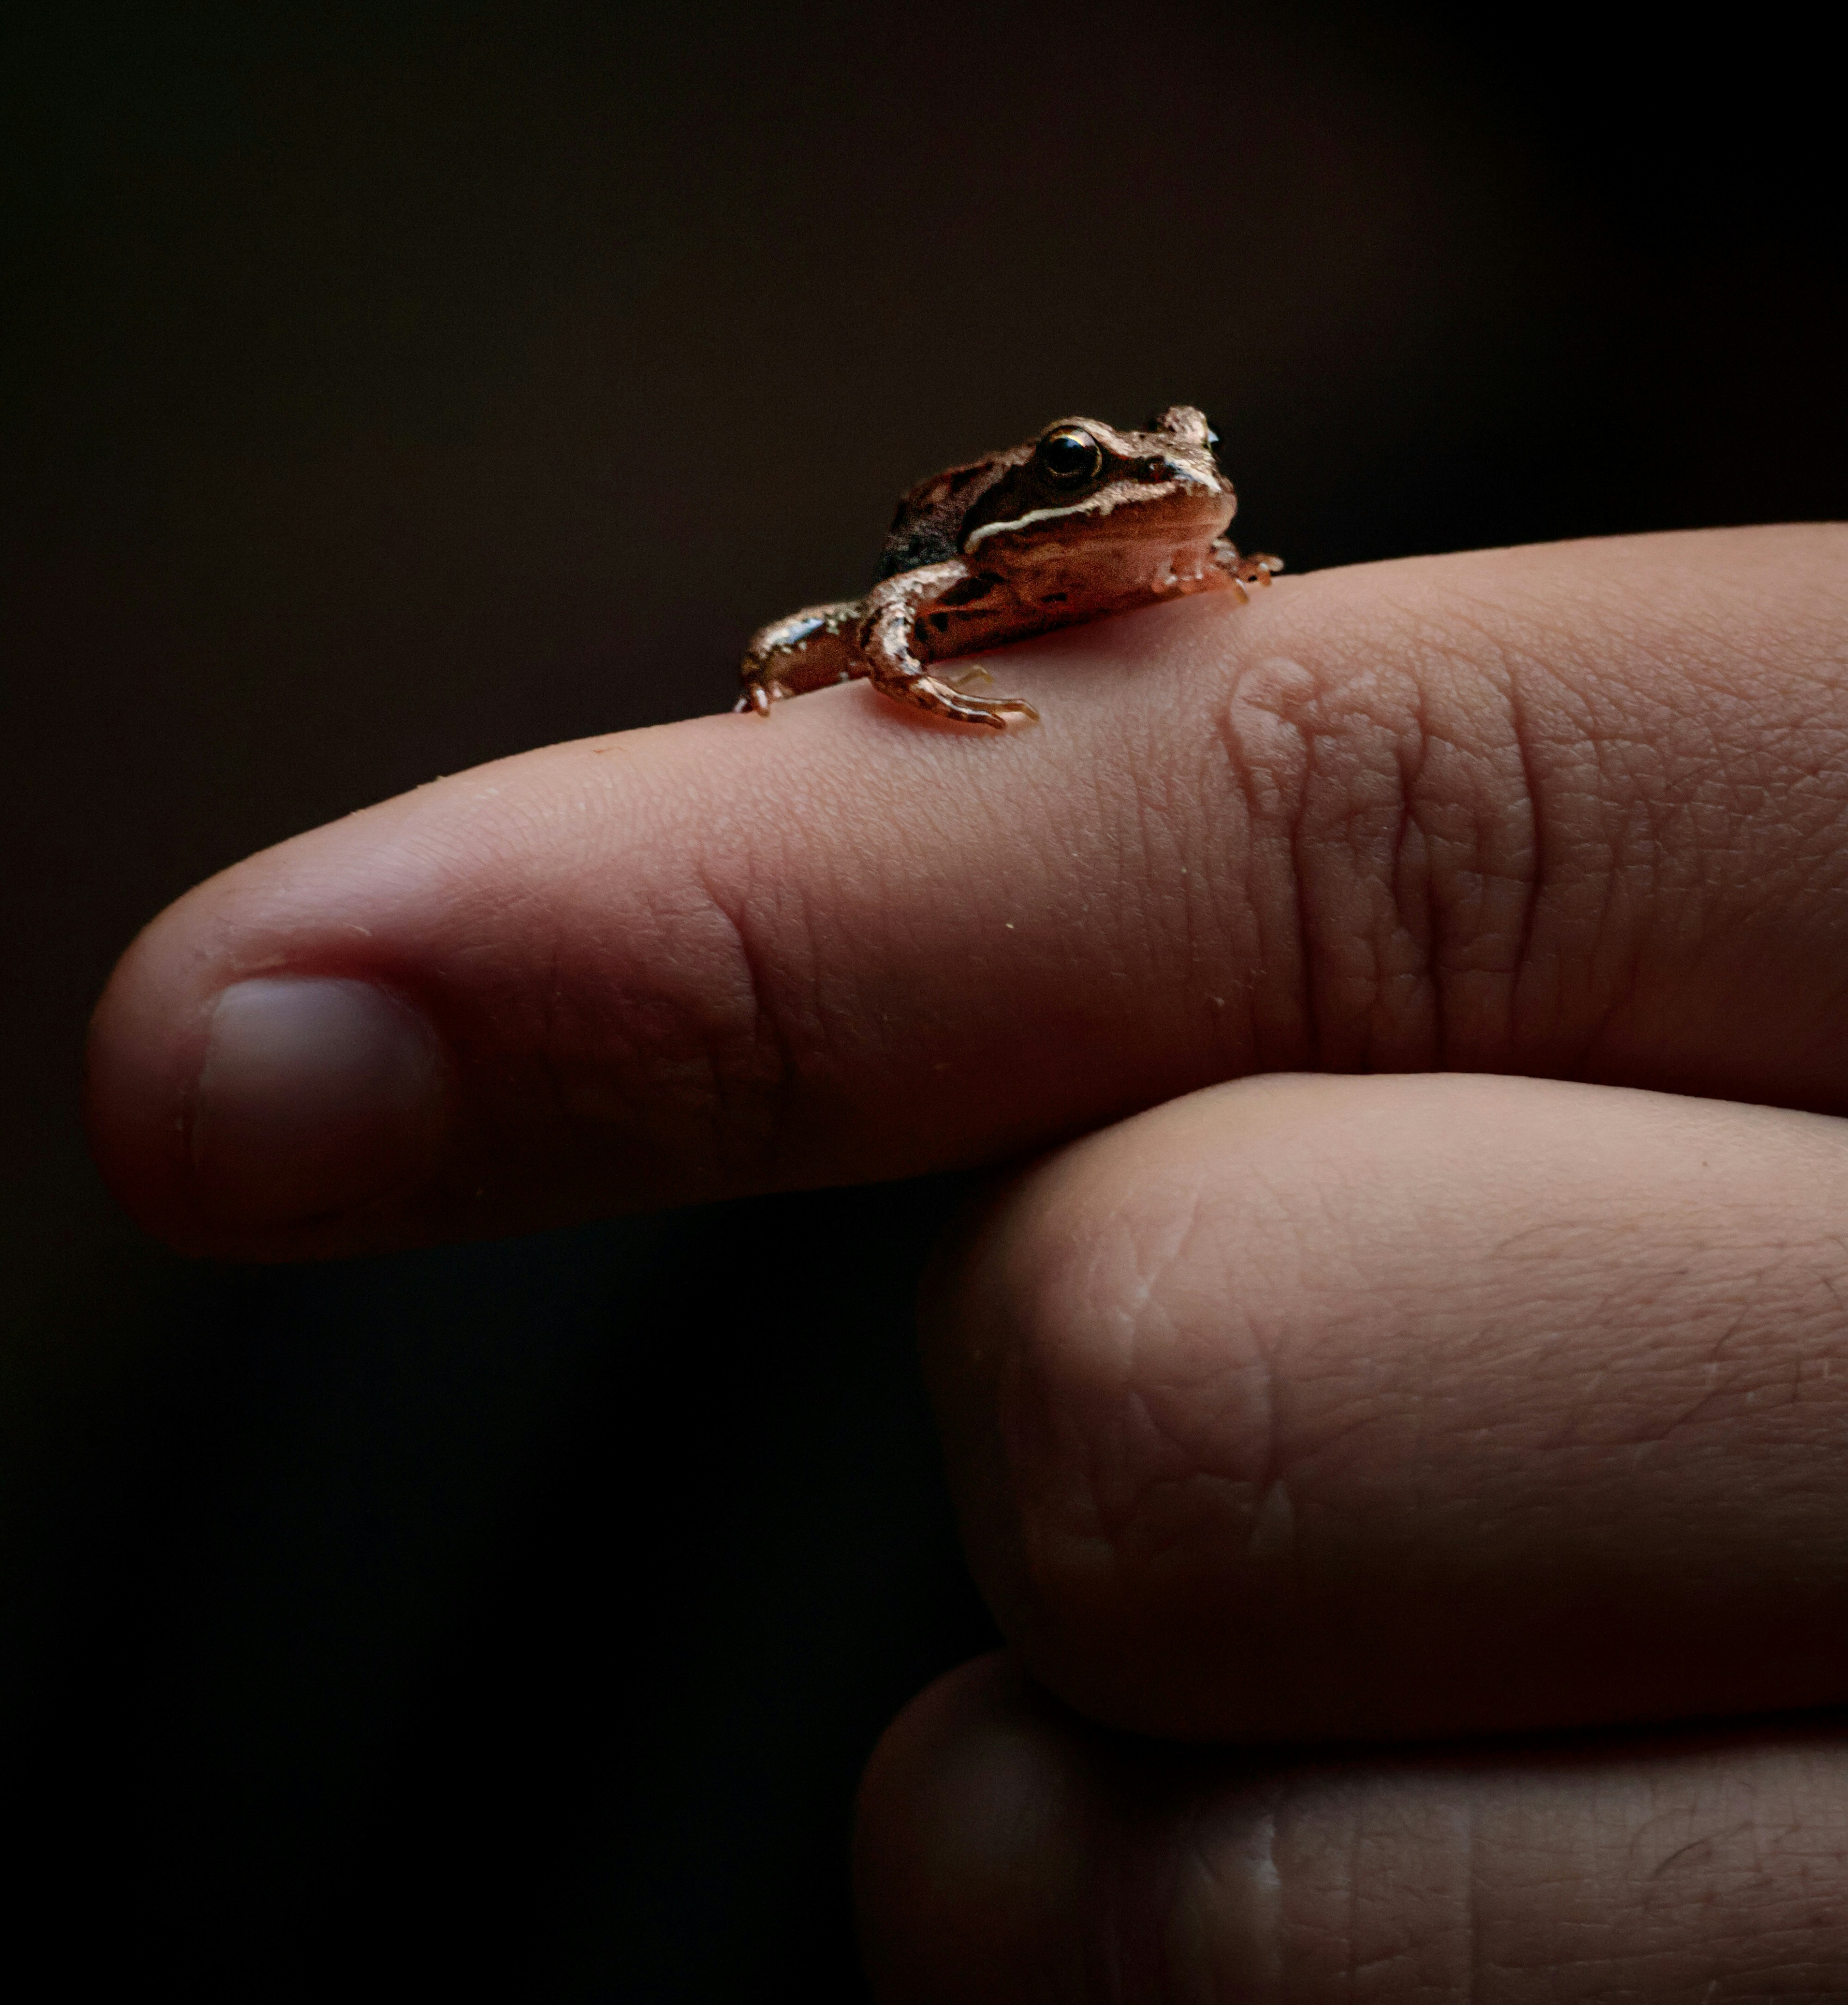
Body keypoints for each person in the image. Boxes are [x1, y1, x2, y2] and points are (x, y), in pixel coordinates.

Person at [87, 518, 1848, 1993]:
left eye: (1182, 468)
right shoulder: (460, 1391)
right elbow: (883, 624)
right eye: (1107, 473)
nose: (1167, 488)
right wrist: (910, 698)